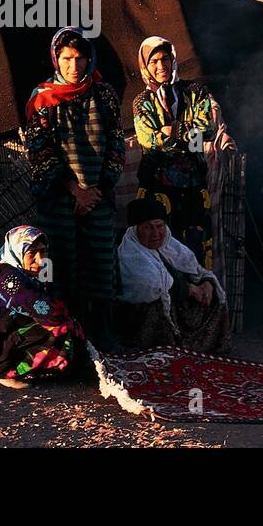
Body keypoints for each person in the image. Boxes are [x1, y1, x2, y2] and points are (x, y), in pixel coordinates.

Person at [23, 26, 126, 351]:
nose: (74, 65)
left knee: (101, 261)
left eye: (80, 58)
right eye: (67, 58)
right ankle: (66, 338)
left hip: (97, 195)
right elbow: (40, 151)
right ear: (57, 58)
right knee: (60, 265)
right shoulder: (42, 99)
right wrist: (74, 190)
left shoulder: (103, 94)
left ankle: (104, 332)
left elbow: (115, 142)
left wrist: (96, 189)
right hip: (58, 198)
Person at [131, 35, 233, 268]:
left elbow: (207, 130)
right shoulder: (141, 102)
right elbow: (151, 143)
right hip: (156, 188)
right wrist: (187, 135)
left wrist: (172, 130)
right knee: (160, 251)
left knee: (196, 251)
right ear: (145, 66)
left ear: (173, 59)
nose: (161, 66)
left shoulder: (195, 91)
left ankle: (200, 299)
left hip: (194, 185)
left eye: (165, 59)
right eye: (154, 61)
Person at [0, 225, 85, 389]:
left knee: (60, 322)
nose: (40, 260)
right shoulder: (10, 278)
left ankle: (1, 367)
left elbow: (45, 299)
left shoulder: (2, 268)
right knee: (64, 329)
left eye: (43, 252)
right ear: (17, 251)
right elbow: (50, 313)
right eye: (31, 252)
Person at [115, 196, 230, 353]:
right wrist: (189, 289)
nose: (156, 233)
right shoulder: (130, 253)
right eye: (148, 227)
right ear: (136, 230)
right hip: (143, 317)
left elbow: (195, 269)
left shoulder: (170, 246)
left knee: (214, 293)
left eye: (159, 226)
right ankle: (165, 351)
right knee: (158, 304)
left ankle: (210, 350)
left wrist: (206, 282)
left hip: (180, 304)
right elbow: (151, 285)